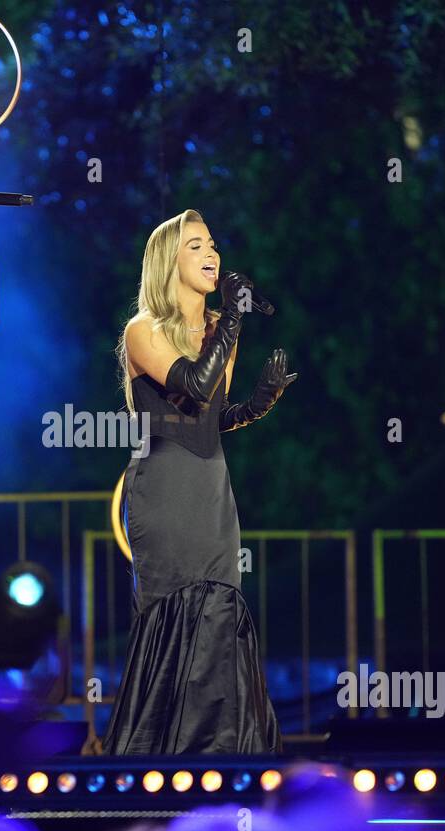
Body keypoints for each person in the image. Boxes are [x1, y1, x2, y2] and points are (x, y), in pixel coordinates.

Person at [104, 209, 292, 754]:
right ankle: (158, 763)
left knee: (221, 606)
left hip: (212, 485)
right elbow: (192, 385)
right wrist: (232, 321)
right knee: (176, 611)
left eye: (212, 243)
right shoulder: (143, 331)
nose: (212, 254)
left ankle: (224, 757)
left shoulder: (215, 330)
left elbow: (212, 412)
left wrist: (257, 404)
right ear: (169, 262)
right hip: (165, 487)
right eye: (195, 246)